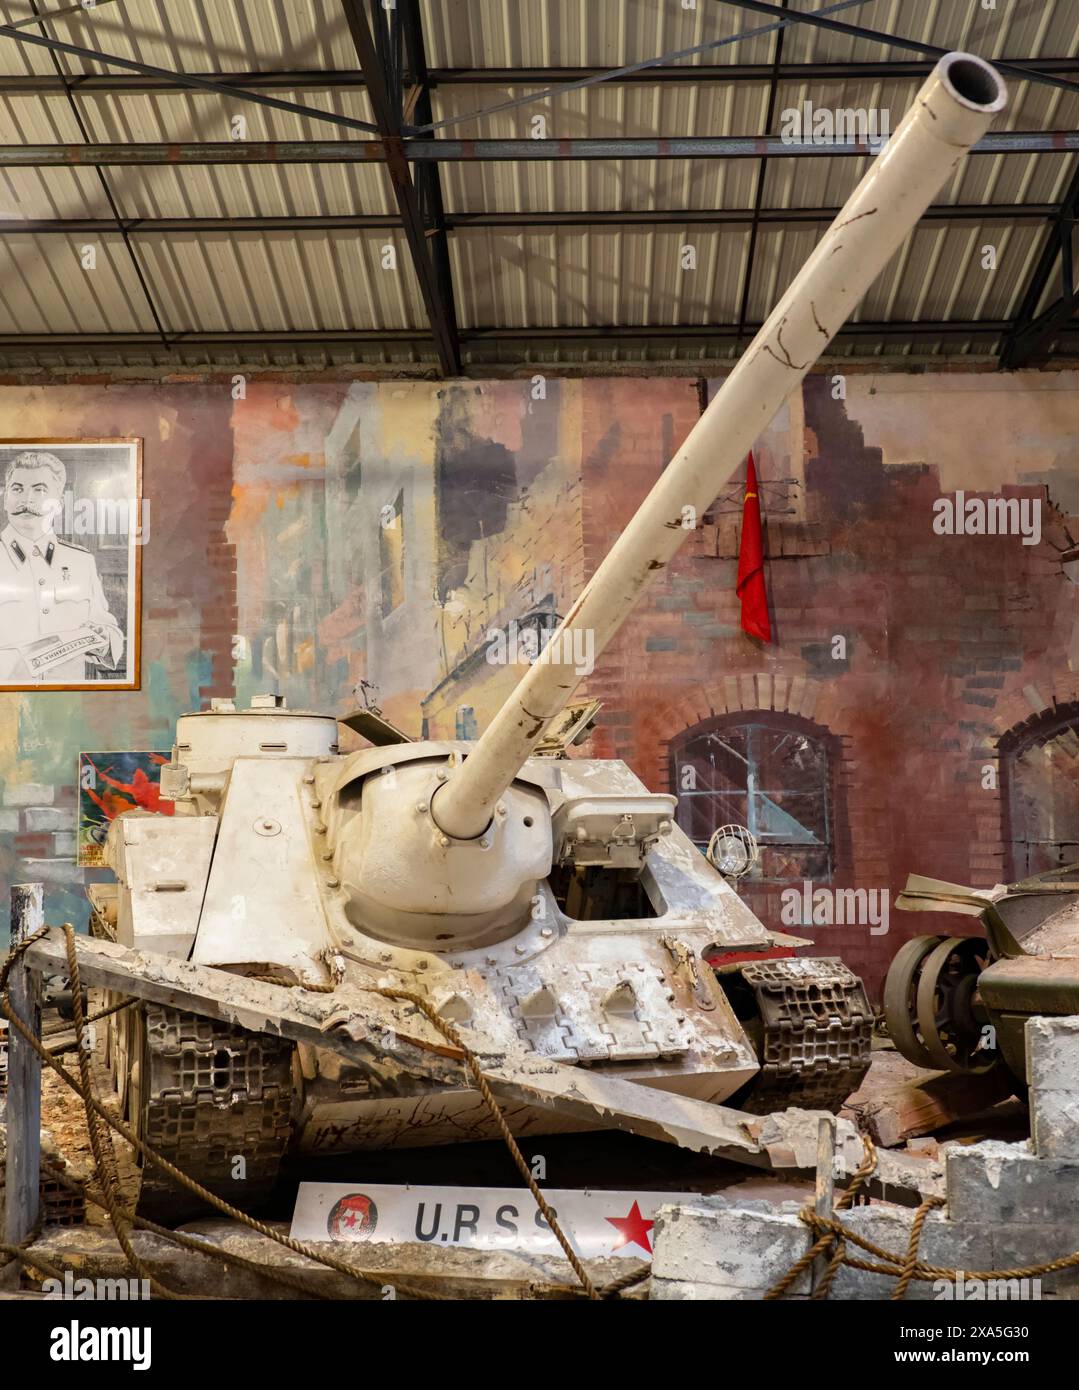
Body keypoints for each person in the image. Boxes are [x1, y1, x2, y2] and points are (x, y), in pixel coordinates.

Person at [0, 450, 124, 683]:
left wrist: (103, 638)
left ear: (58, 503)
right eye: (17, 489)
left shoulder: (81, 562)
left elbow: (110, 630)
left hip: (68, 705)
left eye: (39, 489)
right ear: (6, 498)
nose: (27, 499)